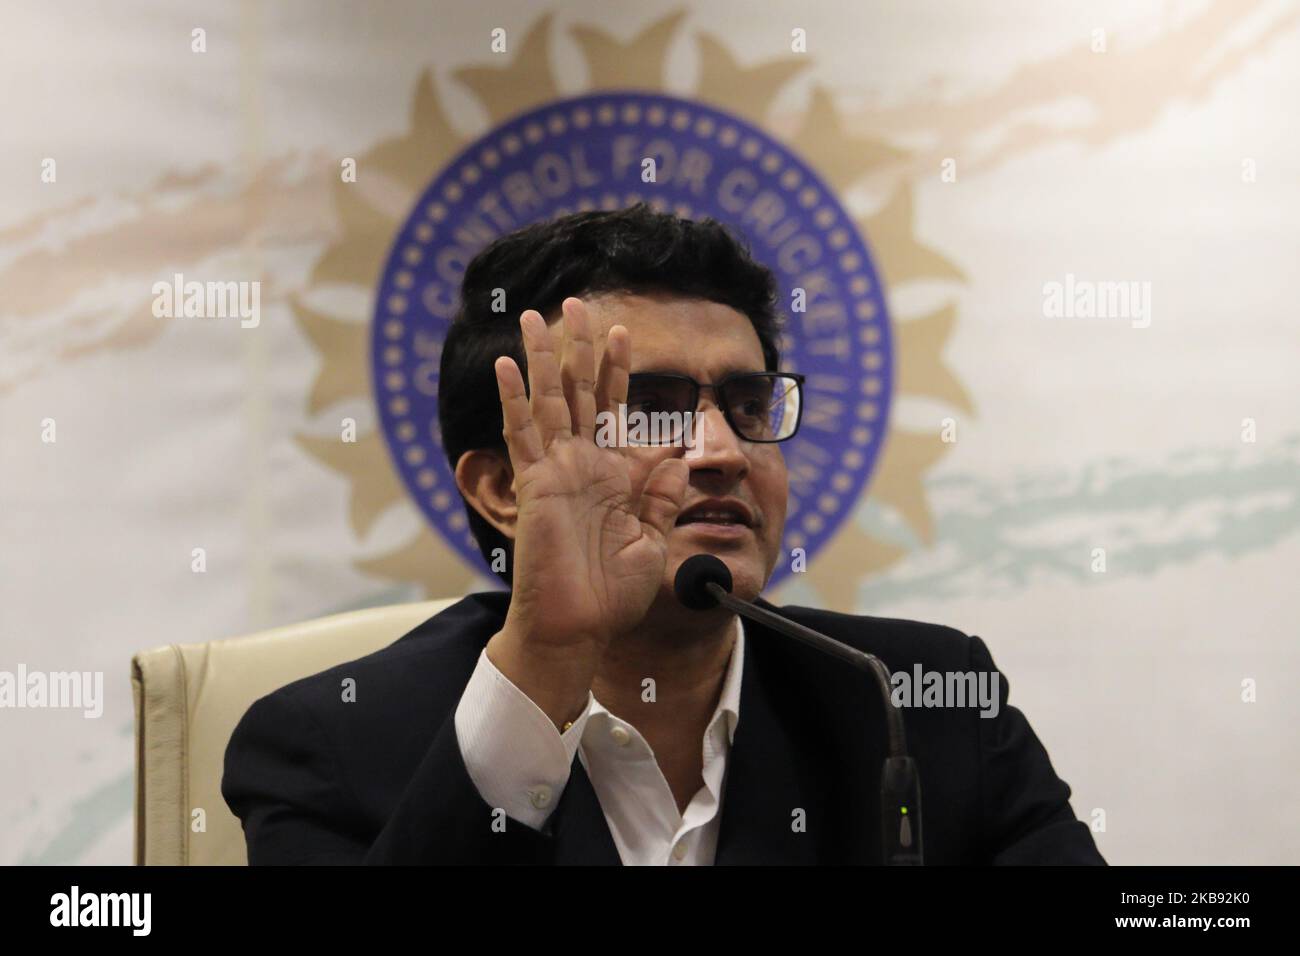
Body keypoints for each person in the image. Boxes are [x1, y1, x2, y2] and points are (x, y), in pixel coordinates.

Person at [222, 204, 1104, 865]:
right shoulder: (330, 749)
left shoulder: (914, 703)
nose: (721, 451)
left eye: (749, 405)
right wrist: (546, 661)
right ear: (499, 489)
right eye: (648, 411)